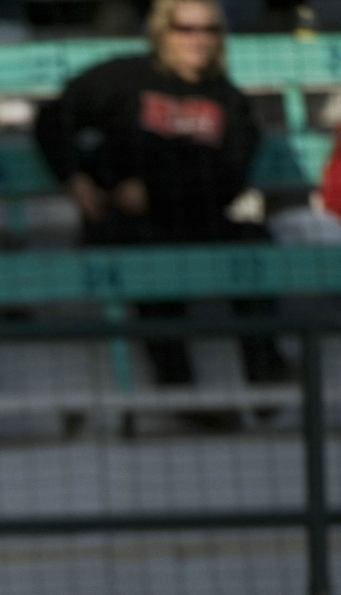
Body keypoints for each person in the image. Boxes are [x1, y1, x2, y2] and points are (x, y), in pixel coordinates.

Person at [35, 0, 289, 388]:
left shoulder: (228, 100)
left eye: (209, 30)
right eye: (185, 29)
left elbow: (228, 176)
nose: (198, 40)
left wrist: (154, 191)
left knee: (255, 241)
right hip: (130, 226)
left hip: (196, 218)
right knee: (148, 261)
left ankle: (267, 373)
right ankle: (179, 389)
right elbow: (54, 117)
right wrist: (74, 178)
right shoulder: (124, 77)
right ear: (161, 33)